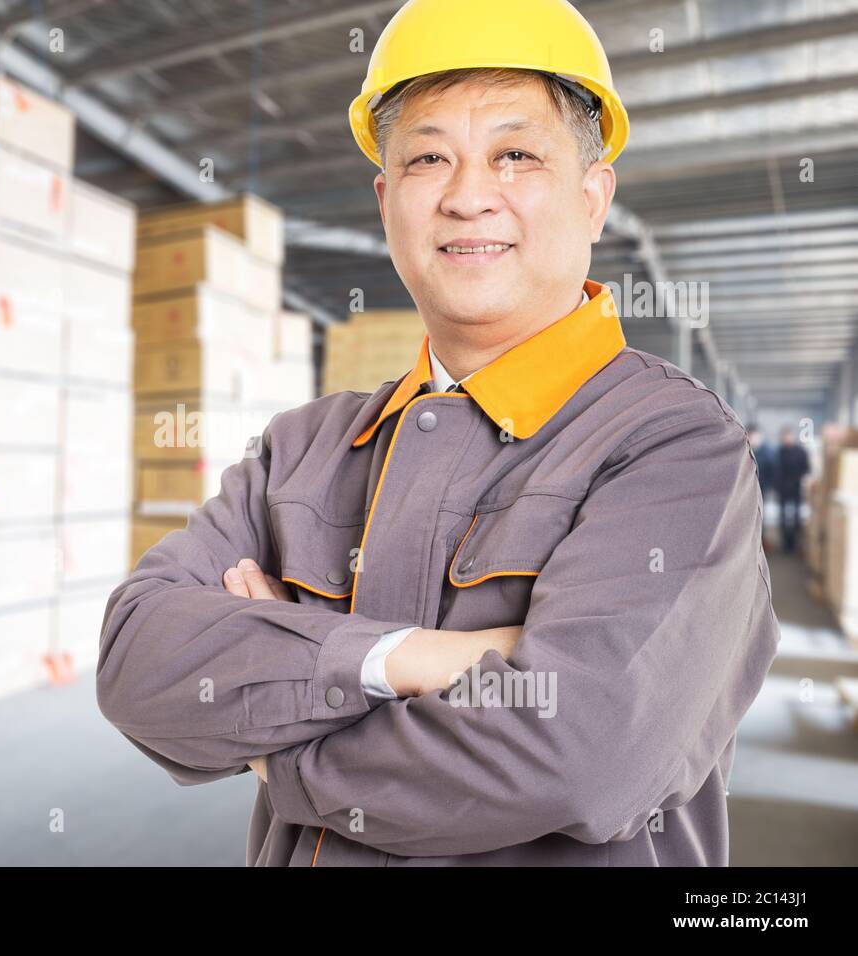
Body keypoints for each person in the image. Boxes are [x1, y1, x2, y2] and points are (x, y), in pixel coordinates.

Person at [97, 0, 780, 866]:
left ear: (593, 195)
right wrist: (412, 661)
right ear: (387, 202)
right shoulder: (301, 449)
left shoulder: (675, 449)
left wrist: (279, 740)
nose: (466, 197)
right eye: (428, 158)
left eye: (515, 154)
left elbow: (582, 755)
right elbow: (136, 665)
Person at [774, 427, 811, 554]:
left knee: (797, 516)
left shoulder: (801, 452)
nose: (787, 439)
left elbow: (806, 469)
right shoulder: (779, 452)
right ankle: (786, 543)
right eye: (785, 436)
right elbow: (776, 470)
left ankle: (796, 543)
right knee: (783, 517)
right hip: (783, 489)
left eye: (789, 436)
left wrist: (798, 481)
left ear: (793, 437)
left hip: (796, 488)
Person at [747, 424, 776, 552]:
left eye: (755, 436)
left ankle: (761, 543)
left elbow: (772, 471)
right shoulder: (743, 451)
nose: (753, 438)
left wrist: (769, 486)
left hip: (762, 489)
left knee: (760, 517)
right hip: (746, 491)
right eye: (751, 435)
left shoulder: (767, 452)